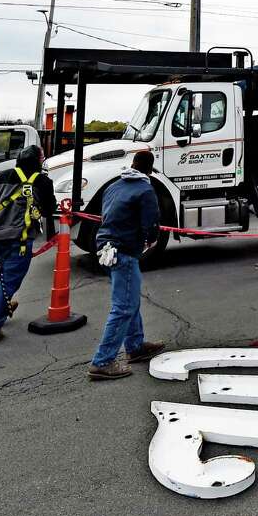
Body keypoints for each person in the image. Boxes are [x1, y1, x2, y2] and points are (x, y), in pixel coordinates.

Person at [87, 149, 167, 380]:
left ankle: (135, 346)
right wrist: (150, 241)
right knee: (124, 307)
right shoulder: (145, 189)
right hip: (124, 251)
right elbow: (151, 223)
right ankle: (102, 362)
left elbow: (105, 215)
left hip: (105, 247)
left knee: (130, 299)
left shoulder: (114, 186)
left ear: (132, 165)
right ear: (149, 170)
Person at [0, 144, 57, 344]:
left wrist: (1, 214)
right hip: (20, 239)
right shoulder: (42, 181)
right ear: (38, 162)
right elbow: (49, 210)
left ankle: (3, 306)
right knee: (9, 282)